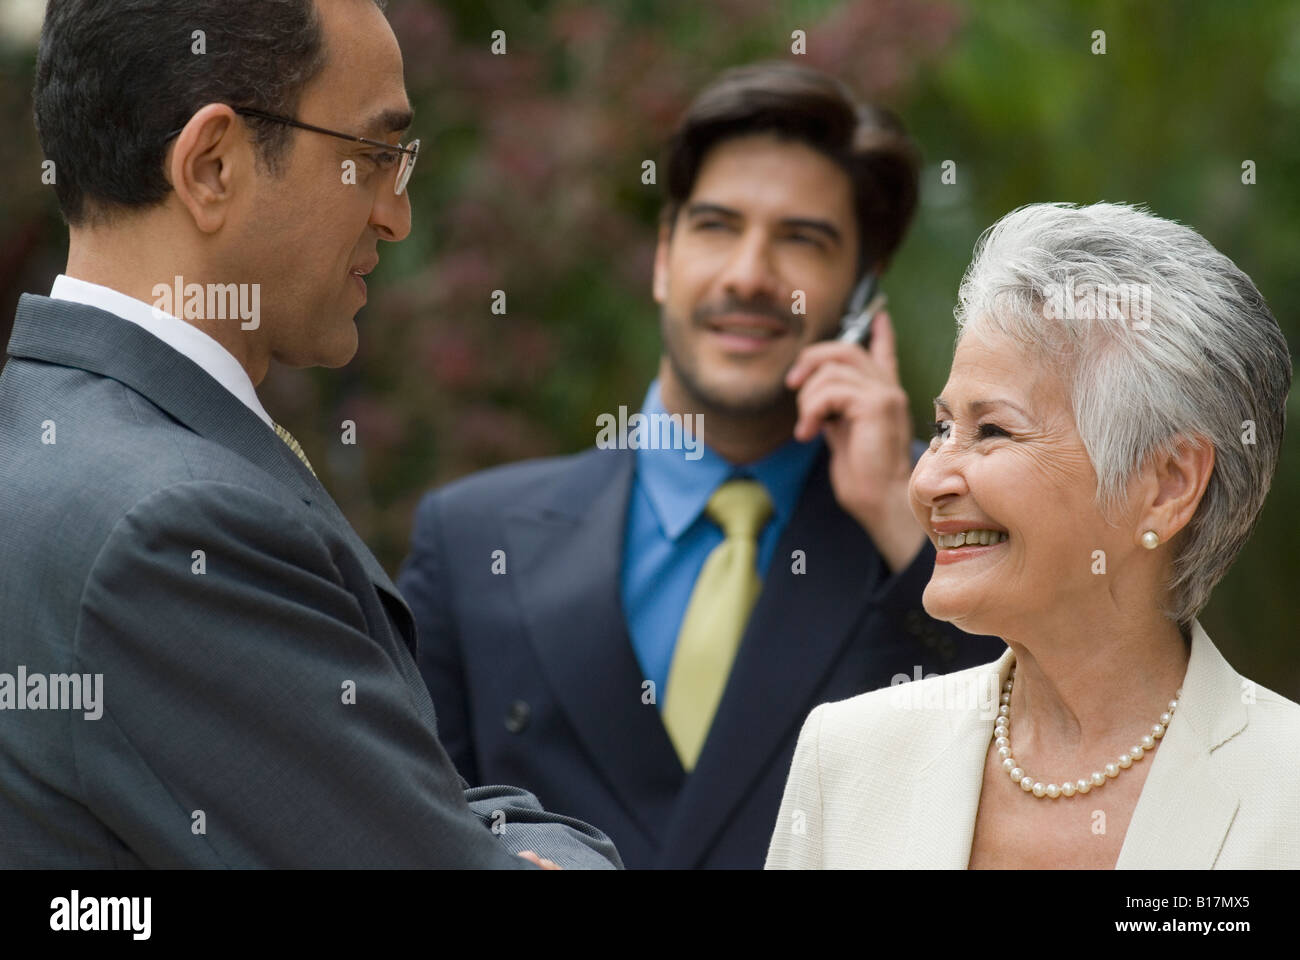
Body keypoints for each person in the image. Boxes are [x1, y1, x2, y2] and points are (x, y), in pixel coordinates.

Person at [0, 0, 620, 869]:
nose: (395, 216)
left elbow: (390, 806)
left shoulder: (53, 444)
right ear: (211, 166)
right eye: (371, 158)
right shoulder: (174, 528)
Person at [397, 62, 1004, 869]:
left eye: (801, 239)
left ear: (863, 292)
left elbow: (1036, 768)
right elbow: (395, 819)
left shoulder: (950, 527)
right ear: (663, 257)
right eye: (717, 226)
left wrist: (903, 523)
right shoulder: (470, 539)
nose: (749, 274)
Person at [766, 201, 1299, 869]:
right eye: (942, 429)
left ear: (1166, 484)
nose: (929, 480)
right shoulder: (847, 760)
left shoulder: (1288, 795)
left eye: (993, 431)